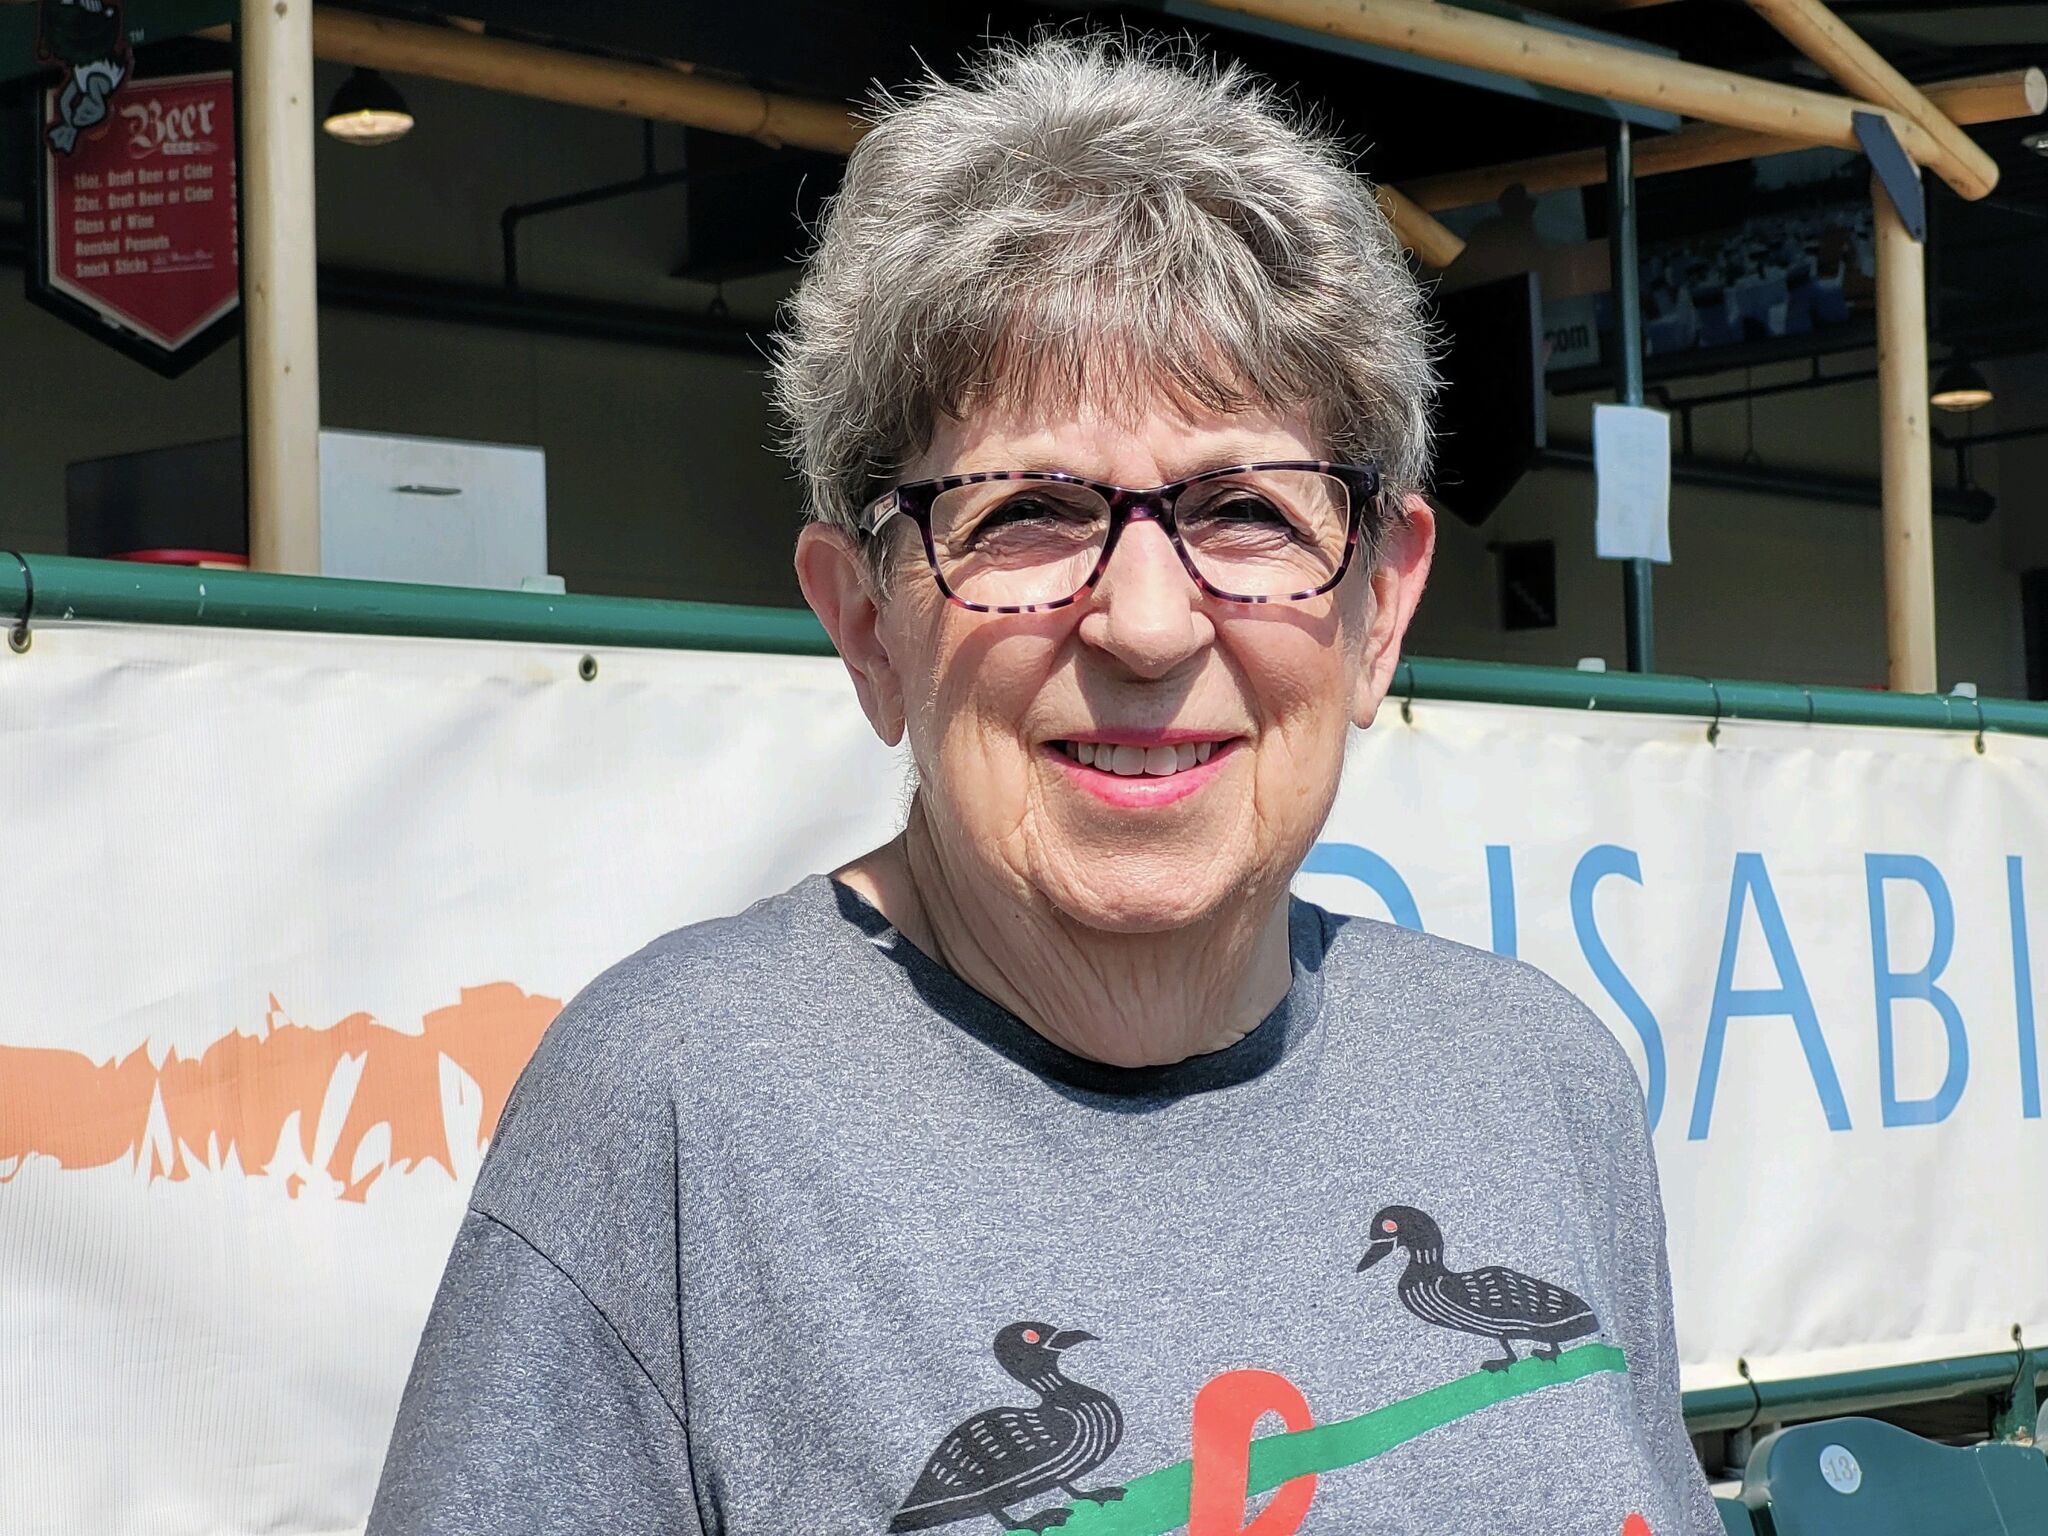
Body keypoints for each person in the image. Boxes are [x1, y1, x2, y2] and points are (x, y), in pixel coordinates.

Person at [368, 35, 1718, 1536]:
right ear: (866, 623)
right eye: (1028, 514)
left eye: (1247, 510)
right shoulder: (677, 1116)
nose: (1146, 623)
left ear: (1379, 610)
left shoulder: (1538, 1080)